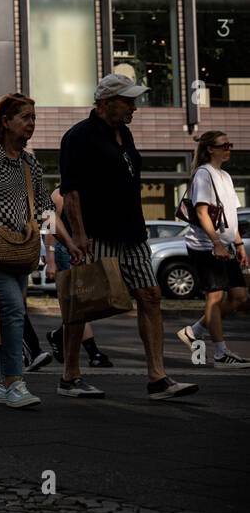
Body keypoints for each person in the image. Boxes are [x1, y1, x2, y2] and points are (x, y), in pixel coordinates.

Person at [58, 74, 198, 400]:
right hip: (96, 234)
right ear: (106, 102)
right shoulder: (79, 136)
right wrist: (78, 235)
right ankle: (69, 376)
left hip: (132, 234)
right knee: (83, 305)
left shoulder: (125, 134)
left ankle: (157, 378)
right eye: (128, 101)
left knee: (150, 294)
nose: (135, 107)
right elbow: (71, 190)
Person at [0, 92, 68, 409]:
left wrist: (70, 243)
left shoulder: (29, 163)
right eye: (25, 118)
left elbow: (46, 210)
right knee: (13, 310)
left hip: (20, 250)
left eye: (34, 118)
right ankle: (14, 382)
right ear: (5, 122)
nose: (31, 124)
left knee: (5, 314)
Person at [175, 131, 250, 368]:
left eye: (230, 144)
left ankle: (193, 330)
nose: (228, 148)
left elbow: (230, 217)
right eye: (224, 145)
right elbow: (201, 212)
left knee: (239, 296)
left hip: (224, 245)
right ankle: (220, 353)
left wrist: (238, 244)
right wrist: (216, 242)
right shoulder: (204, 174)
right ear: (210, 149)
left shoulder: (225, 176)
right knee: (215, 298)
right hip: (205, 246)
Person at [43, 187, 112, 368]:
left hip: (88, 249)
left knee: (86, 303)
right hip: (65, 251)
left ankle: (58, 336)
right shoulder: (58, 195)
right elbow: (49, 227)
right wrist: (50, 260)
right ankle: (93, 352)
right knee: (79, 302)